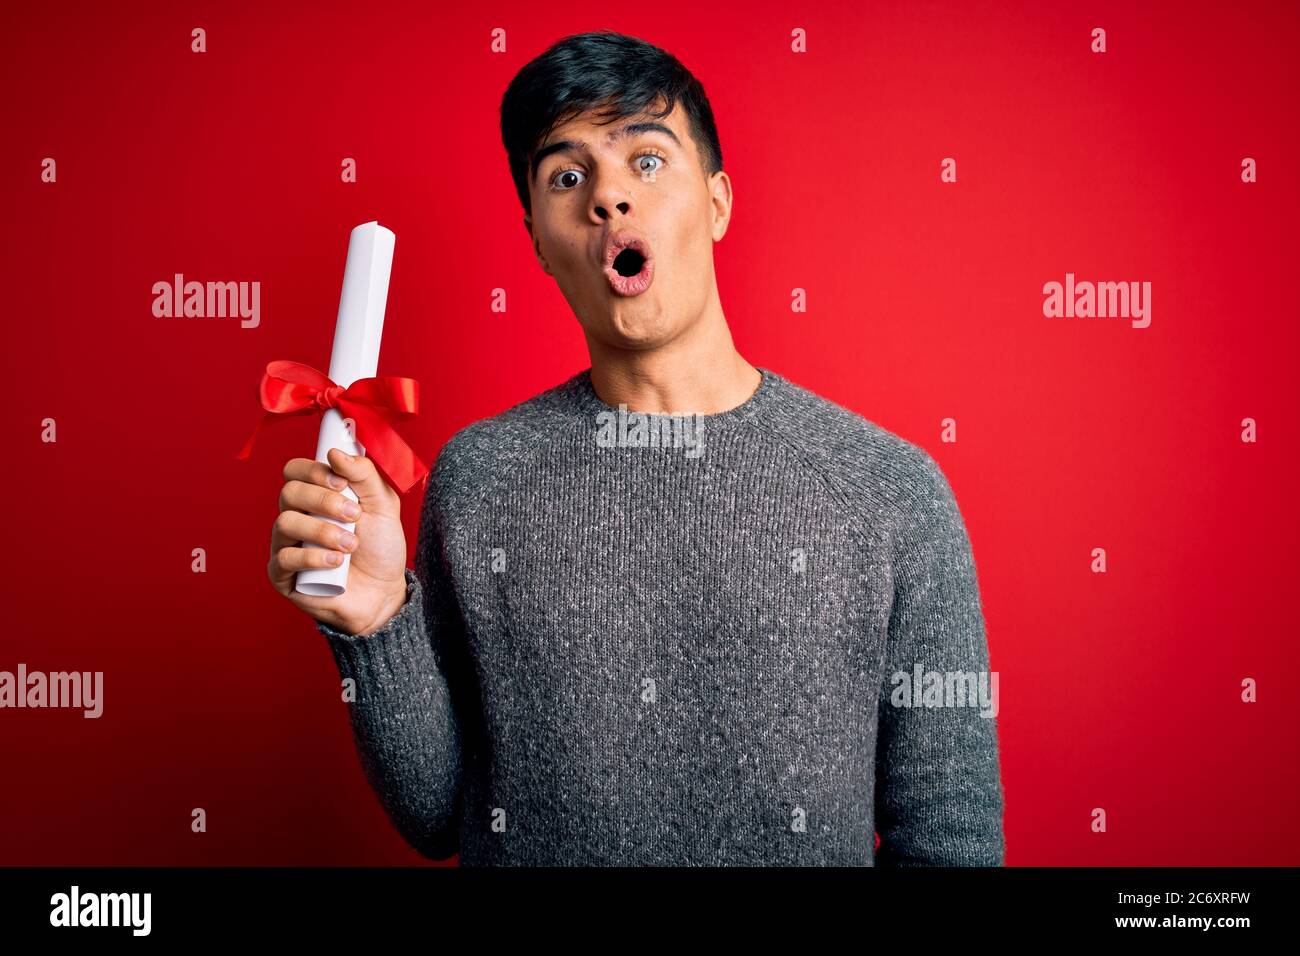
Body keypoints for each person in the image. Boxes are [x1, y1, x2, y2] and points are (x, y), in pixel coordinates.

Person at [267, 30, 1005, 866]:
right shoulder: (479, 482)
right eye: (568, 176)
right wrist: (375, 621)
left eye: (646, 160)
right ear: (539, 241)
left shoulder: (890, 492)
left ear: (718, 202)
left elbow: (950, 835)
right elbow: (440, 817)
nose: (608, 198)